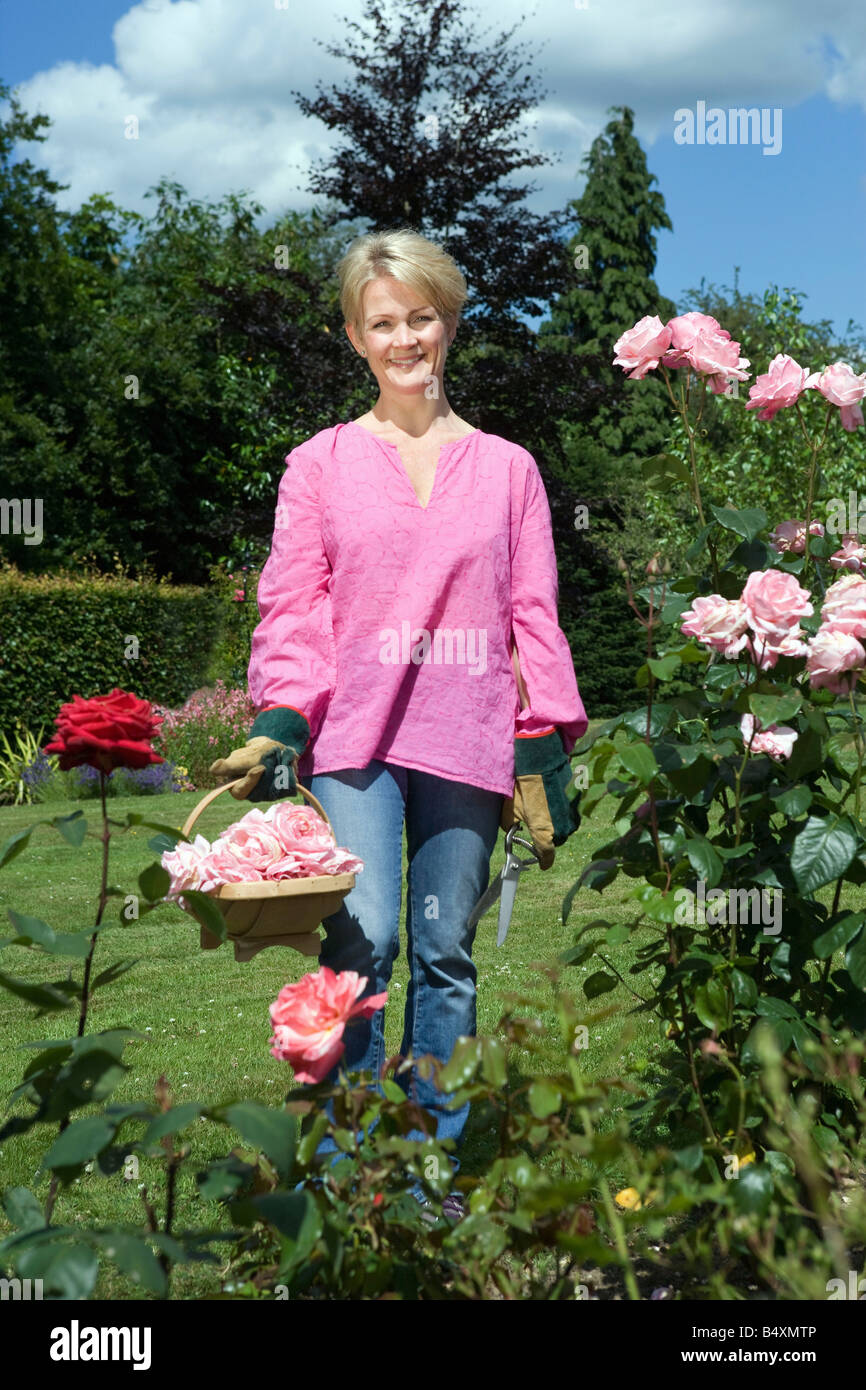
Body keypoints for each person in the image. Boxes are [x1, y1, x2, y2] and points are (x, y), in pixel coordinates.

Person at [211, 228, 587, 1219]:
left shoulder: (507, 469)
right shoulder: (319, 464)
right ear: (353, 336)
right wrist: (286, 713)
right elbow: (292, 598)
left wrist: (541, 730)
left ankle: (432, 1167)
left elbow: (531, 608)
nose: (405, 337)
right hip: (352, 736)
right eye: (384, 322)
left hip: (466, 733)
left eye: (421, 317)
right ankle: (348, 1163)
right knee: (364, 933)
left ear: (448, 324)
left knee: (444, 950)